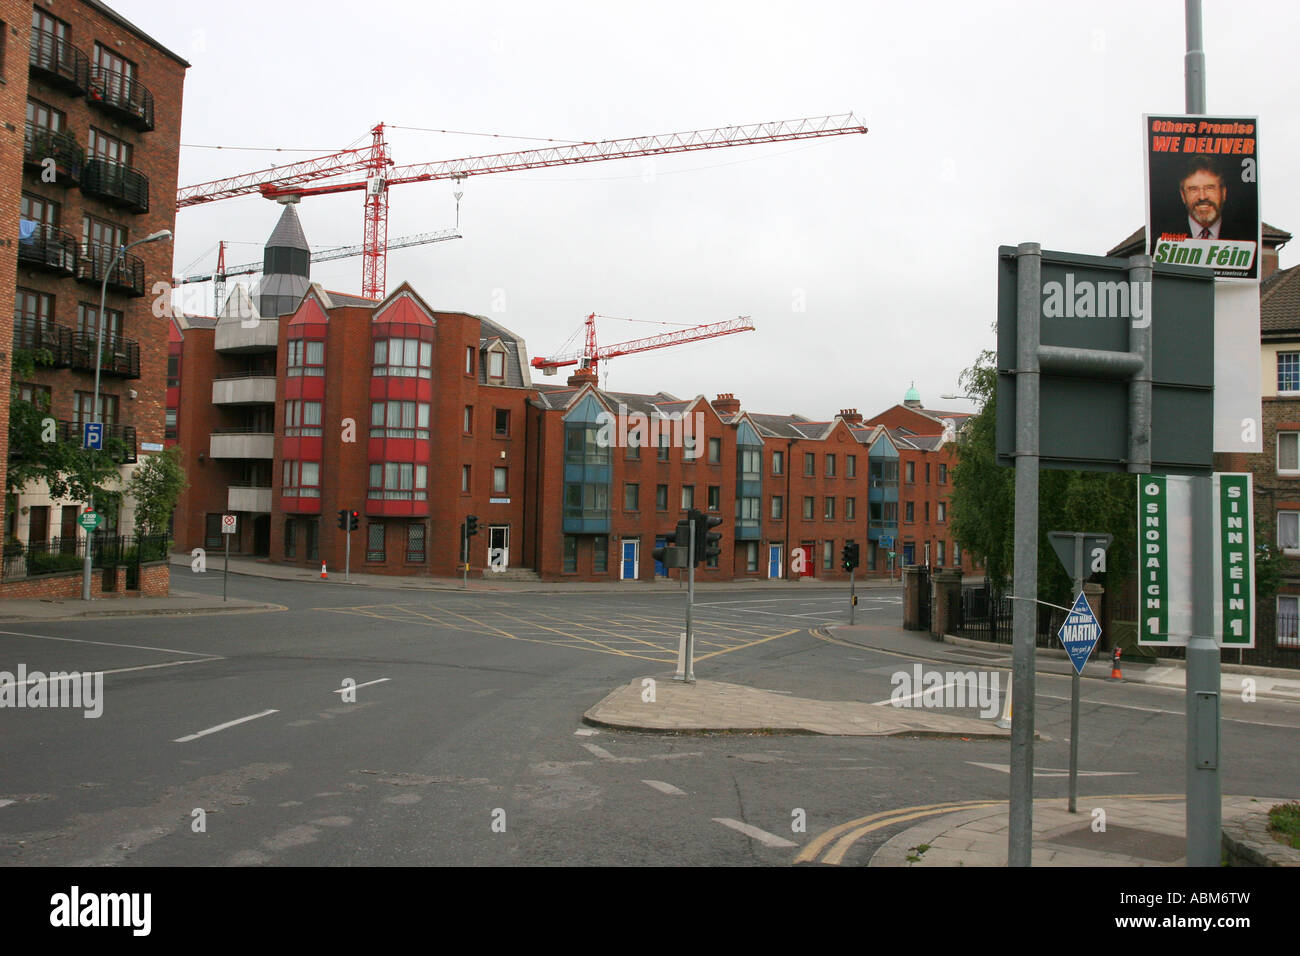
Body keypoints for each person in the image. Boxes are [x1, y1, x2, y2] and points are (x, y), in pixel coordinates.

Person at [1152, 155, 1235, 245]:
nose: (1202, 197)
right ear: (1183, 195)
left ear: (1223, 192)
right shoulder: (1159, 237)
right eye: (1193, 189)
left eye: (1209, 188)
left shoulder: (1247, 234)